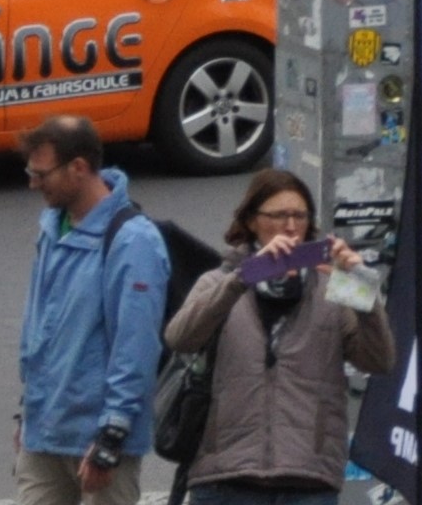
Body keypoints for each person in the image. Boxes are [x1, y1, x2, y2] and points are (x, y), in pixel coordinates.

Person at [160, 166, 397, 505]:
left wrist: (361, 292)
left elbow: (380, 359)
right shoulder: (221, 282)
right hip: (226, 476)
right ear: (251, 221)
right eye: (279, 216)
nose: (290, 226)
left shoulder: (333, 287)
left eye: (299, 216)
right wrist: (244, 277)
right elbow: (179, 338)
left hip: (308, 477)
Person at [12, 114, 171, 505]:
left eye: (42, 174)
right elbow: (40, 326)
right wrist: (26, 412)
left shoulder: (133, 241)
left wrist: (112, 435)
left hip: (100, 441)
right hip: (45, 431)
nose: (33, 183)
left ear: (79, 168)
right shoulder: (54, 225)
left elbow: (135, 348)